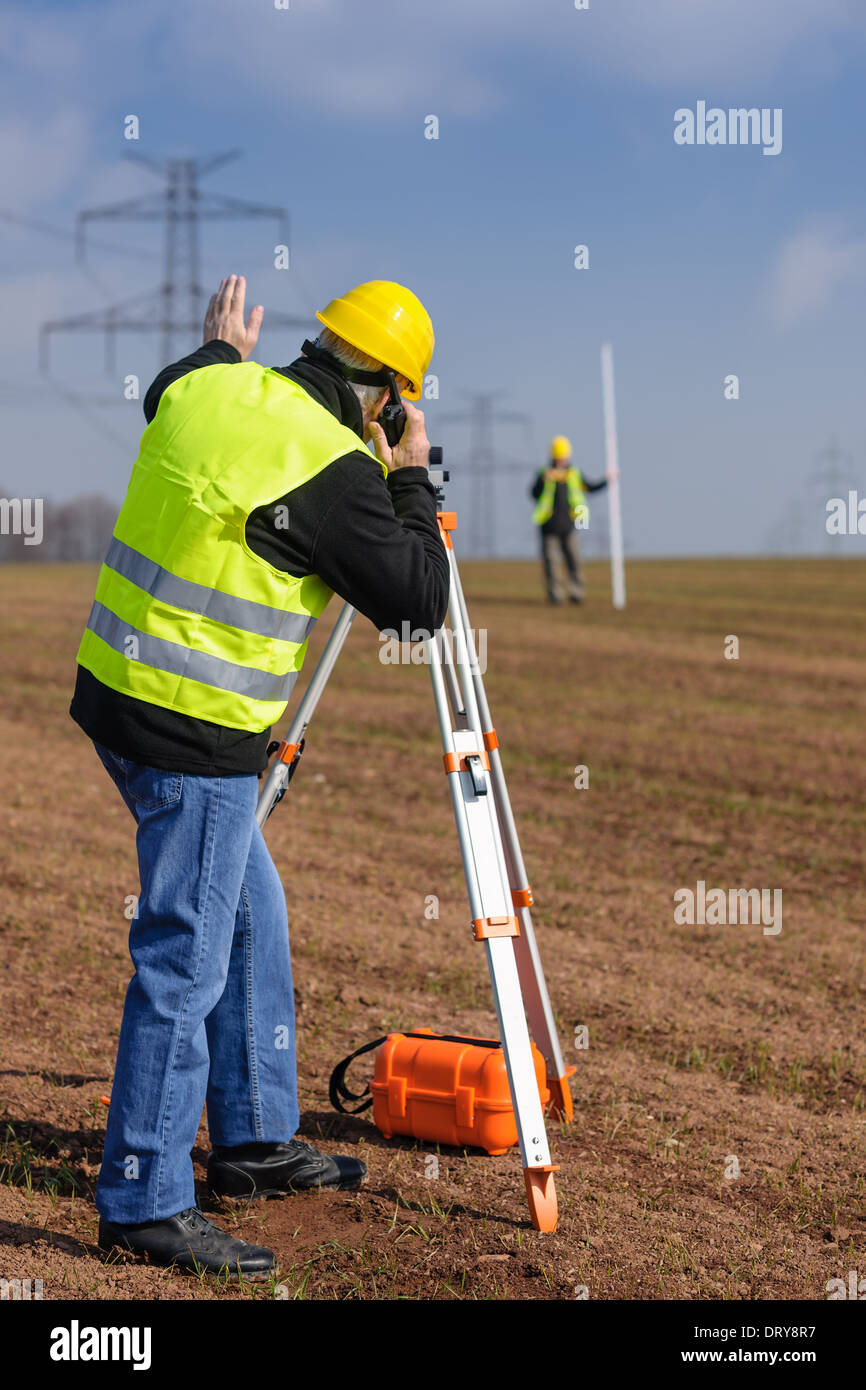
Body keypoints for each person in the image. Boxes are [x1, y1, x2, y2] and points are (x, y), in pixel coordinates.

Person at [69, 275, 449, 1279]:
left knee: (249, 912)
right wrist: (411, 475)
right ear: (389, 395)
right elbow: (416, 603)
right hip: (190, 735)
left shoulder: (207, 386)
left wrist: (215, 347)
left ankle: (251, 1139)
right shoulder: (333, 468)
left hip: (117, 695)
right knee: (185, 955)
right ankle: (145, 1199)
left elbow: (168, 388)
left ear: (319, 347)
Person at [530, 435, 608, 604]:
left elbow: (589, 487)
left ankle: (577, 593)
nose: (561, 461)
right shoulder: (544, 473)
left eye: (563, 457)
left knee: (574, 560)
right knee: (551, 563)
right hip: (548, 526)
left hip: (570, 526)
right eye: (558, 457)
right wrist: (544, 481)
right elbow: (534, 494)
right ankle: (555, 595)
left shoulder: (574, 474)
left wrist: (607, 480)